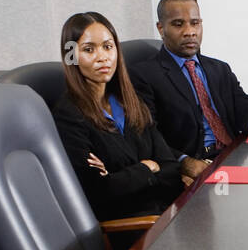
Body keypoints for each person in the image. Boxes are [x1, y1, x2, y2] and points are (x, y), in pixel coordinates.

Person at [52, 12, 186, 222]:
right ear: (71, 56)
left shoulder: (130, 101)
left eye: (108, 46)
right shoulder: (69, 115)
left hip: (168, 213)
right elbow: (99, 192)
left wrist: (123, 177)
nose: (102, 57)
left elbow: (171, 169)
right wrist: (148, 167)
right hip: (133, 227)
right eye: (89, 49)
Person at [130, 0, 248, 175]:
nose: (190, 31)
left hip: (233, 157)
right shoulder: (144, 75)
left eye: (195, 23)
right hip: (194, 166)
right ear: (161, 28)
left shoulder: (219, 68)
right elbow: (148, 135)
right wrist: (183, 162)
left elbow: (243, 104)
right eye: (178, 24)